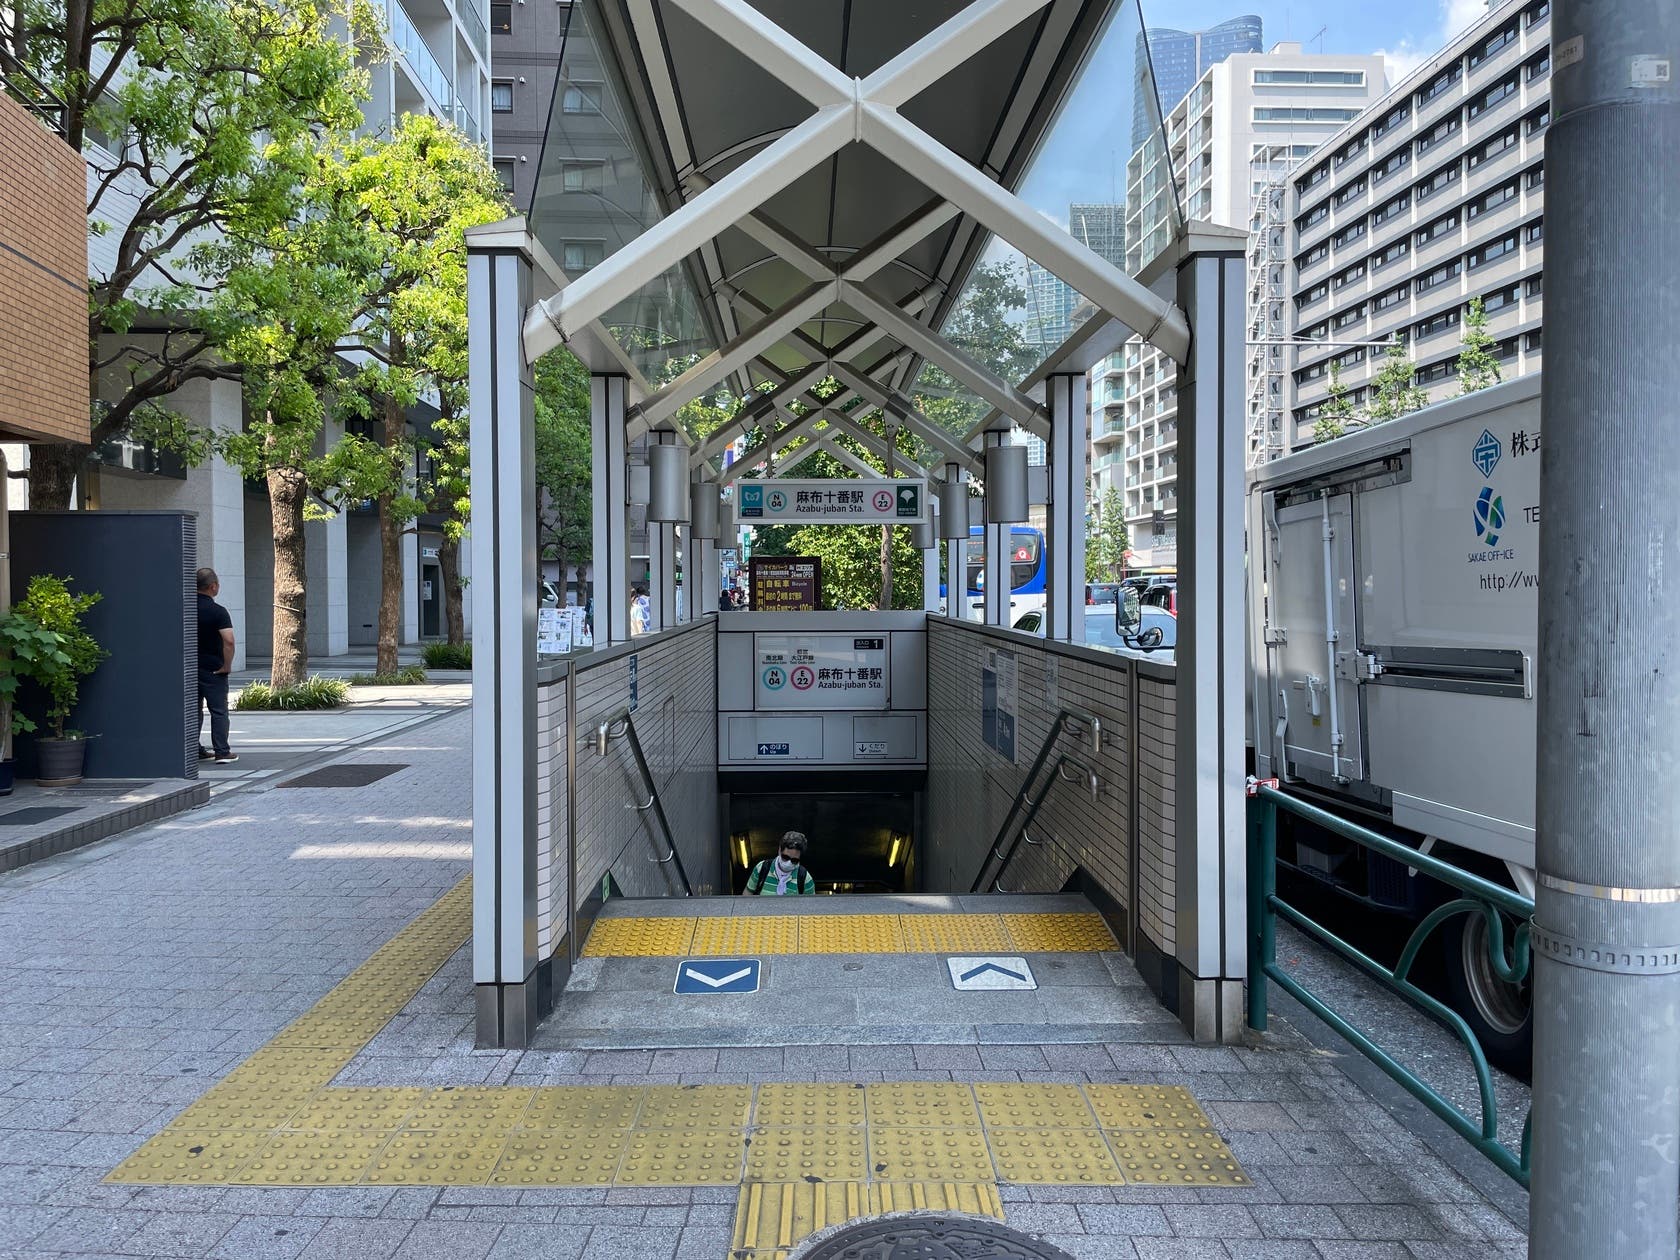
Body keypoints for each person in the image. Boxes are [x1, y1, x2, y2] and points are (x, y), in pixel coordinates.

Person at [196, 567, 238, 764]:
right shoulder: (217, 611)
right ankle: (222, 751)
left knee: (192, 710)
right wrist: (226, 665)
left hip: (188, 668)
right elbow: (228, 640)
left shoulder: (184, 608)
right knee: (218, 710)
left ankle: (193, 749)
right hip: (213, 668)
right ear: (213, 586)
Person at [744, 831, 816, 896]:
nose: (788, 863)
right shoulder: (762, 868)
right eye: (785, 857)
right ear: (779, 850)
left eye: (794, 860)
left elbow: (811, 907)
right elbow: (747, 896)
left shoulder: (805, 878)